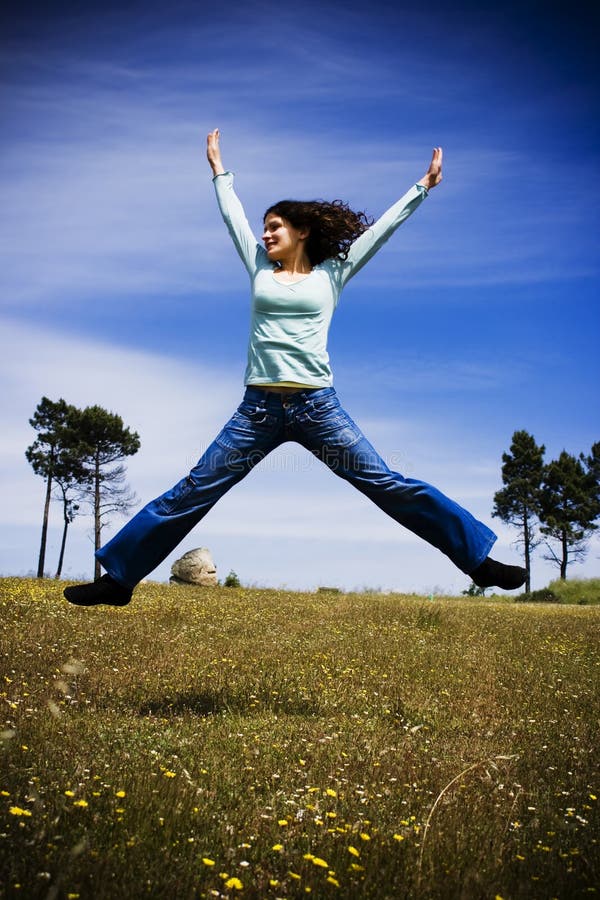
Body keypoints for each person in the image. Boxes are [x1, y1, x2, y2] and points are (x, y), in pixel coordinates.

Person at [64, 129, 526, 607]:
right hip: (256, 412)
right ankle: (119, 580)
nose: (265, 234)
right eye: (264, 228)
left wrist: (422, 187)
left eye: (275, 227)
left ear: (301, 232)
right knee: (192, 490)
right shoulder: (259, 268)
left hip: (318, 409)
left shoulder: (333, 272)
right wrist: (220, 172)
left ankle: (478, 561)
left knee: (388, 484)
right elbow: (232, 218)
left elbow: (380, 231)